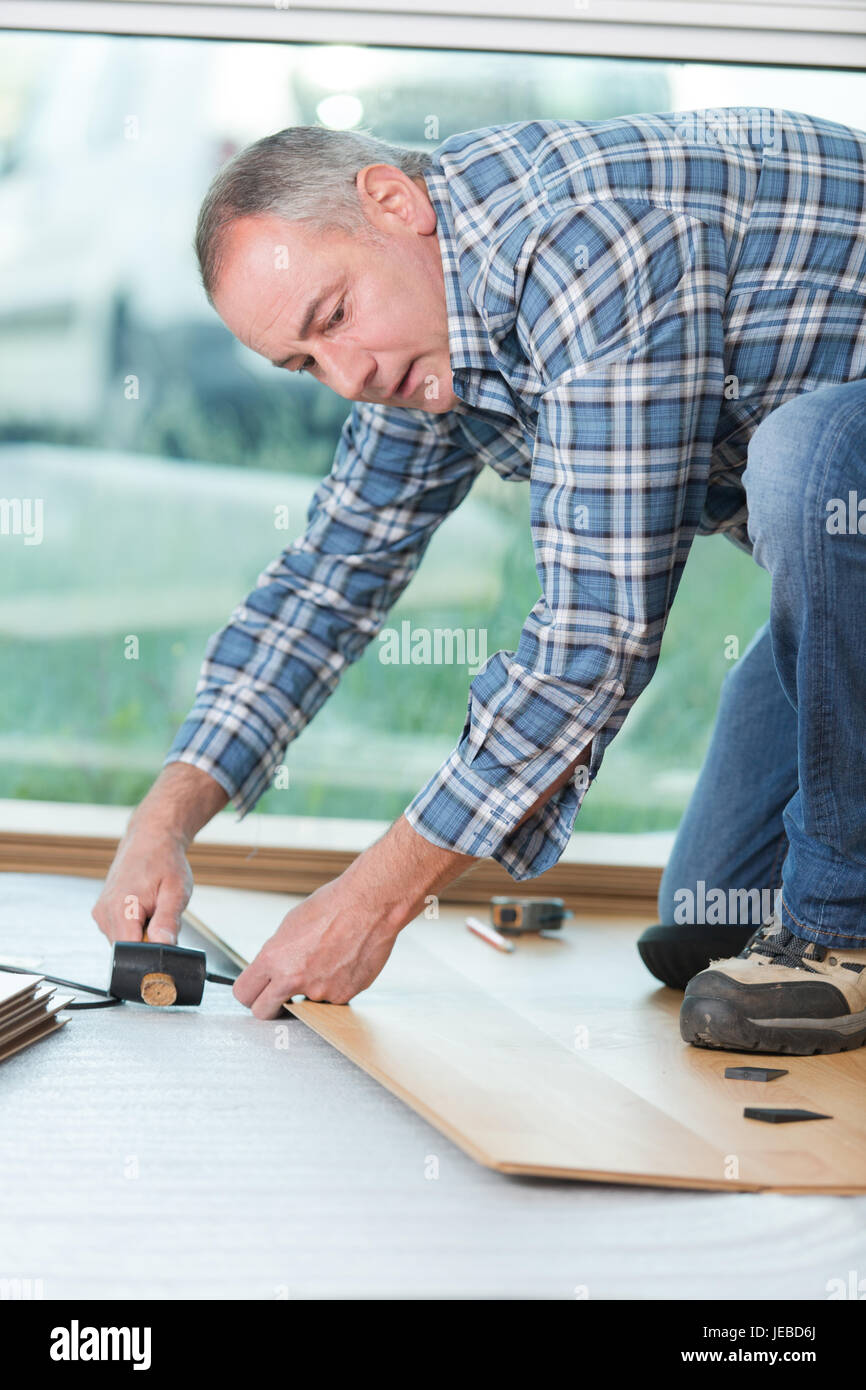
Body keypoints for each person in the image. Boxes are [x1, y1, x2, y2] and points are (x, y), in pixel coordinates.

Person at [93, 110, 866, 1054]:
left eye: (332, 319)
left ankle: (845, 939)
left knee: (811, 461)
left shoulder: (586, 244)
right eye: (304, 363)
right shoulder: (420, 321)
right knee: (713, 914)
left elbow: (594, 643)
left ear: (393, 201)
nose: (348, 378)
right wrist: (165, 816)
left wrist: (373, 902)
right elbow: (331, 579)